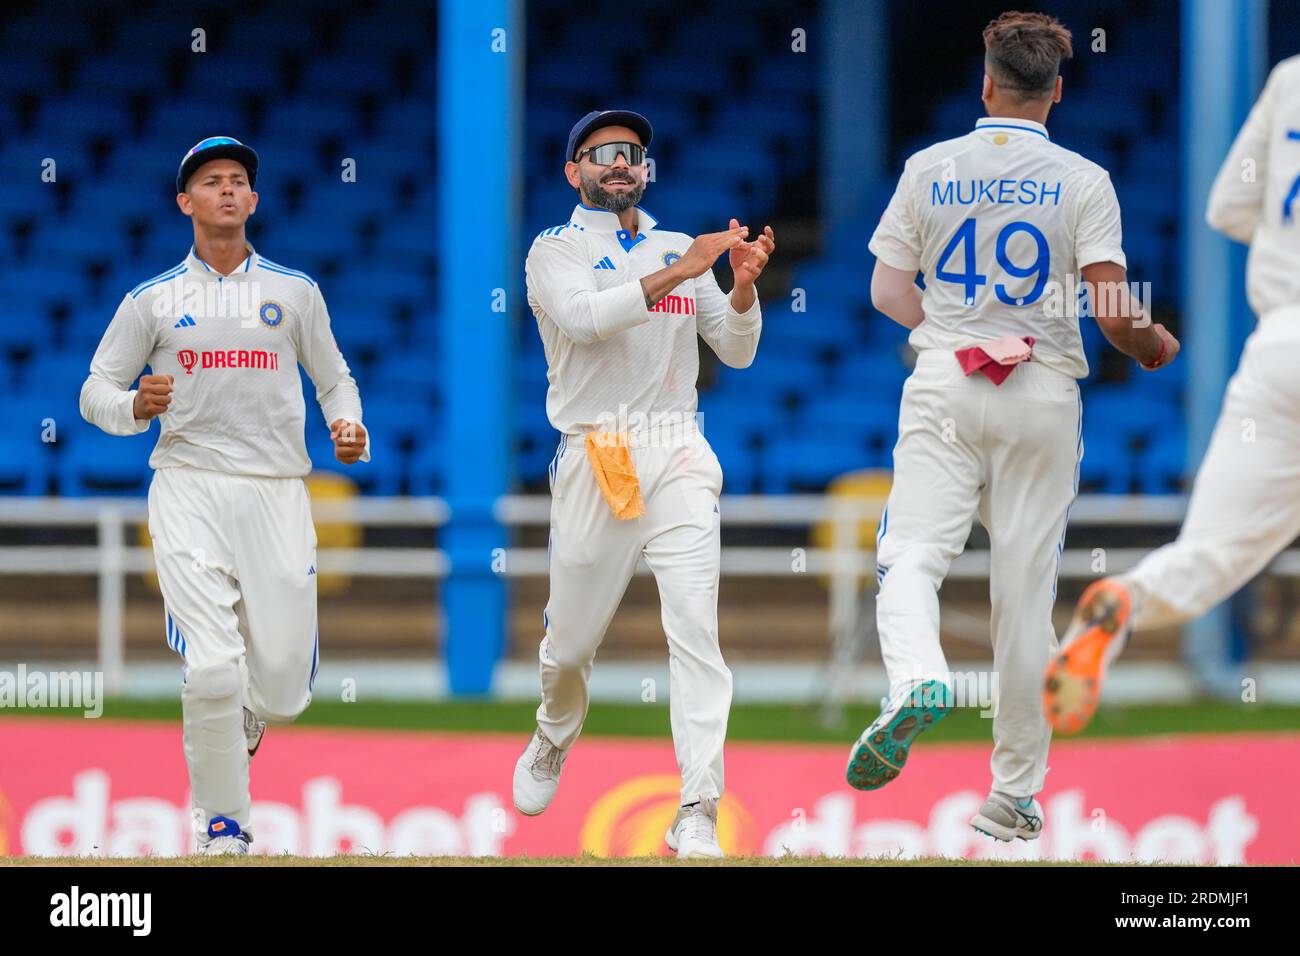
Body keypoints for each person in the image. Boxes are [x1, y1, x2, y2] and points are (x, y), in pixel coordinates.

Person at [850, 12, 1178, 845]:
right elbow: (1110, 310)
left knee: (911, 555)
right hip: (1041, 392)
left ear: (986, 82)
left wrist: (954, 333)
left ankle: (916, 680)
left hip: (946, 382)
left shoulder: (930, 167)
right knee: (1024, 590)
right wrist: (1152, 344)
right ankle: (1012, 794)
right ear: (1056, 91)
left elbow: (889, 291)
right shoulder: (1083, 179)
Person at [79, 136, 371, 855]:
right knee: (211, 665)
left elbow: (335, 377)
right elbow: (93, 392)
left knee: (281, 693)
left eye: (239, 180)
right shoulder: (151, 300)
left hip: (277, 492)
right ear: (186, 202)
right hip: (187, 488)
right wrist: (133, 409)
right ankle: (222, 825)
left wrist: (348, 421)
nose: (229, 191)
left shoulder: (294, 292)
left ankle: (251, 707)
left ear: (255, 199)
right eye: (212, 182)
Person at [516, 109, 776, 858]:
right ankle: (552, 734)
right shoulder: (553, 251)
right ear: (575, 173)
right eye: (602, 156)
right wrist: (687, 270)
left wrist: (743, 292)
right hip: (596, 450)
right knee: (569, 646)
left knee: (695, 632)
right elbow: (586, 319)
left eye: (631, 154)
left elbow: (735, 352)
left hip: (679, 447)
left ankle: (697, 805)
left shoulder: (675, 245)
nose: (620, 164)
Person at [1046, 55, 1300, 736]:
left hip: (1279, 348)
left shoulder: (1289, 78)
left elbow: (1226, 209)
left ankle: (1125, 597)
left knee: (1214, 550)